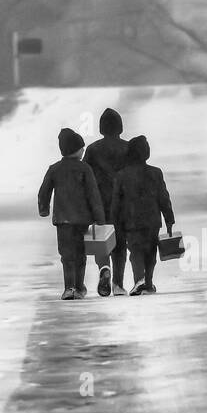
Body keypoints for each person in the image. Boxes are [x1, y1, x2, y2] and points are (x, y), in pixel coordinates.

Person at [37, 127, 105, 300]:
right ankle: (80, 287)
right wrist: (99, 218)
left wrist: (43, 209)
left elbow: (43, 192)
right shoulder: (85, 169)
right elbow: (93, 195)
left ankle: (69, 288)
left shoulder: (55, 169)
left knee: (67, 255)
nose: (83, 150)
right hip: (82, 220)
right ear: (75, 149)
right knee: (80, 255)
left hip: (62, 220)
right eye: (81, 148)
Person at [112, 135, 175, 296]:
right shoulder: (155, 172)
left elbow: (116, 203)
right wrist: (169, 218)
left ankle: (139, 280)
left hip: (131, 222)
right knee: (151, 252)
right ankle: (148, 282)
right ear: (146, 153)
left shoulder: (121, 175)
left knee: (135, 251)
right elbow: (163, 197)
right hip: (152, 221)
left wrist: (115, 223)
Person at [83, 107, 129, 297]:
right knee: (120, 244)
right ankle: (118, 283)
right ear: (120, 127)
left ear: (101, 128)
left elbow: (84, 174)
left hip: (100, 202)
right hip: (123, 203)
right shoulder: (128, 148)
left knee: (102, 240)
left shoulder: (93, 150)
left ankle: (104, 268)